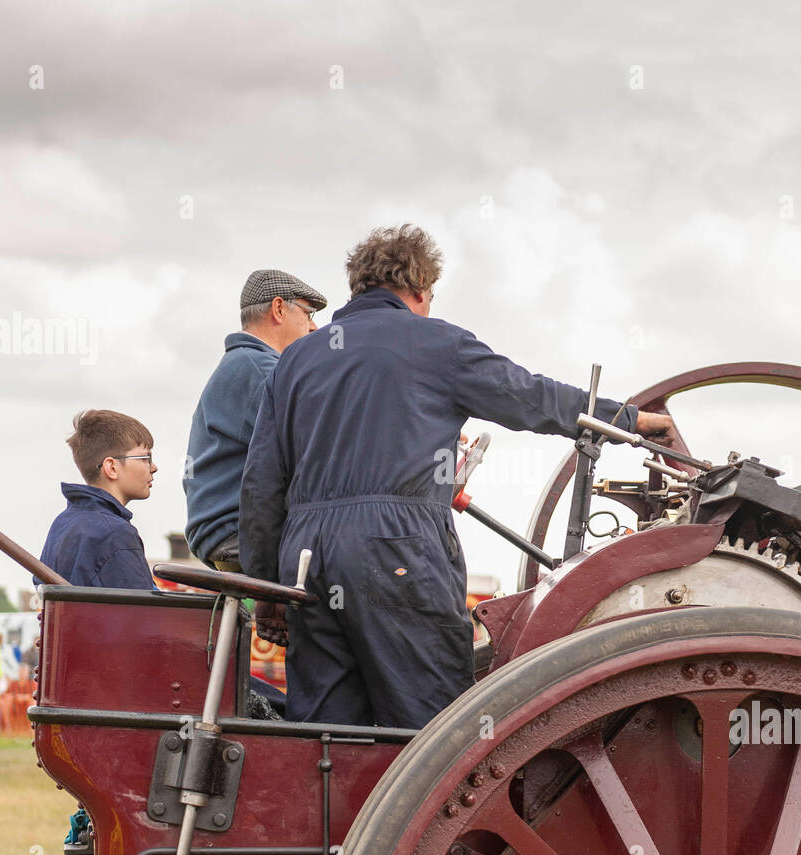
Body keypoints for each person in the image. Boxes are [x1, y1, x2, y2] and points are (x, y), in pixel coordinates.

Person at [240, 224, 673, 728]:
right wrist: (626, 419)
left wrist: (268, 592)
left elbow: (262, 487)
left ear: (358, 286)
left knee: (323, 733)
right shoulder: (436, 343)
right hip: (398, 547)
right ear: (421, 289)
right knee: (432, 730)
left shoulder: (296, 359)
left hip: (307, 560)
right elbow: (529, 395)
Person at [184, 269, 327, 571]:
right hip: (237, 533)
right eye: (308, 313)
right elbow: (319, 447)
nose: (315, 327)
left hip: (223, 531)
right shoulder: (264, 371)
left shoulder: (244, 364)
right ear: (278, 309)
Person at [38, 410, 158, 589]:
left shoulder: (61, 524)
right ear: (111, 467)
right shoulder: (116, 534)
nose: (154, 467)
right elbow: (146, 611)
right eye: (145, 458)